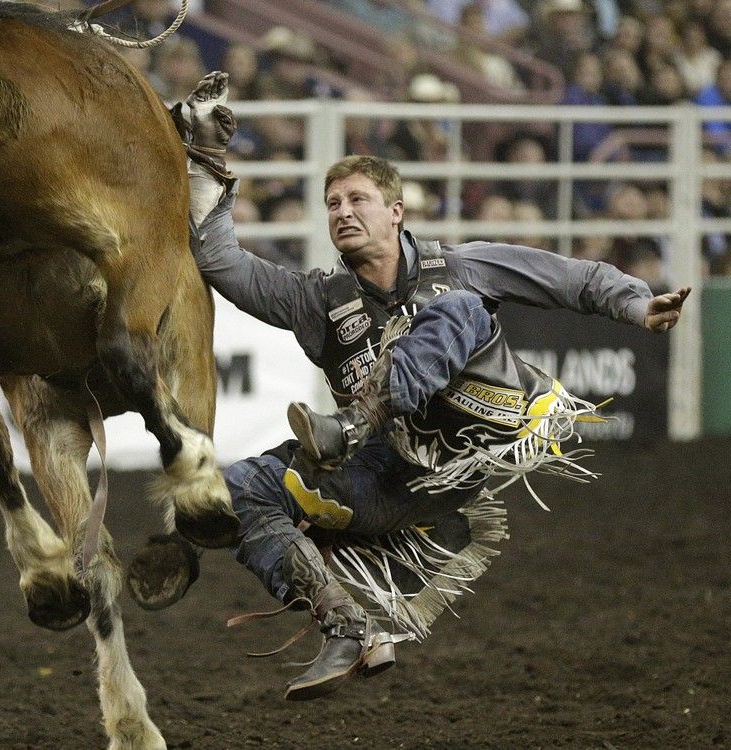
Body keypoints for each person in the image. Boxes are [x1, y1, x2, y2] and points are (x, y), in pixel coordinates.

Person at [176, 73, 690, 702]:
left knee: (459, 307)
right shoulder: (317, 300)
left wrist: (636, 304)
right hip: (392, 476)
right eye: (333, 204)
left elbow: (570, 279)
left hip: (478, 431)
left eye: (358, 199)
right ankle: (346, 624)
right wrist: (207, 157)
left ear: (396, 212)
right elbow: (223, 261)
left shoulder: (463, 267)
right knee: (234, 488)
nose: (343, 212)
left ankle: (355, 424)